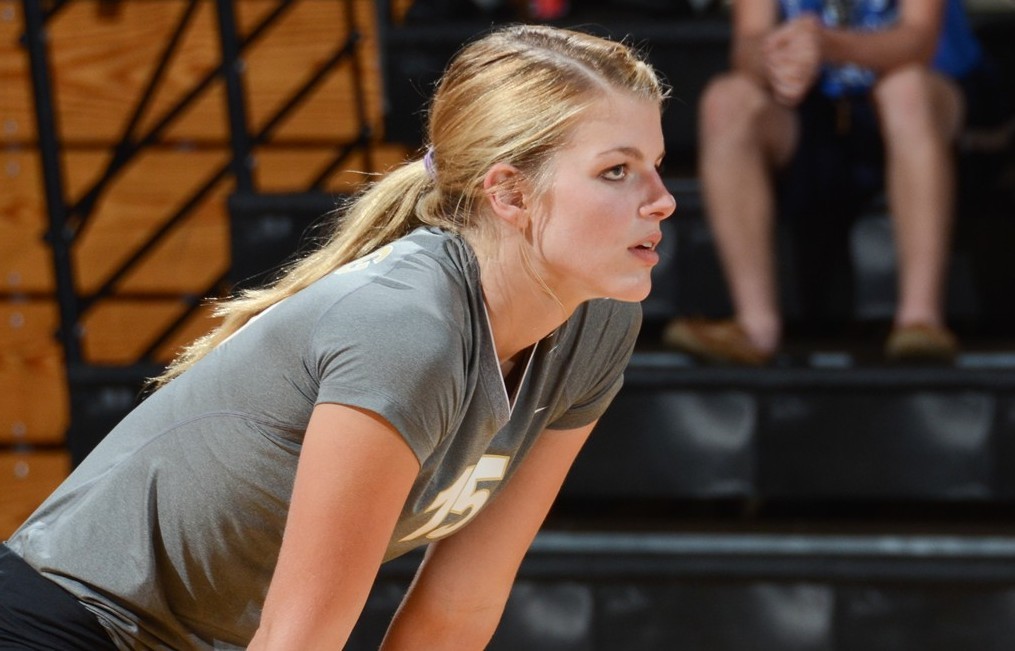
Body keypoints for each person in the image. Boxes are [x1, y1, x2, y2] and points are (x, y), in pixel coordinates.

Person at [0, 24, 675, 650]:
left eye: (654, 162)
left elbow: (459, 602)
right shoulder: (411, 327)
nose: (661, 197)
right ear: (510, 195)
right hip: (63, 622)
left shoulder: (596, 320)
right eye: (616, 171)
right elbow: (299, 638)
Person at [663, 0, 990, 365]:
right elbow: (748, 44)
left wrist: (828, 45)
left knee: (905, 91)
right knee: (725, 101)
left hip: (919, 99)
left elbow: (918, 41)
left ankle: (920, 319)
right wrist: (779, 62)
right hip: (812, 113)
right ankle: (755, 326)